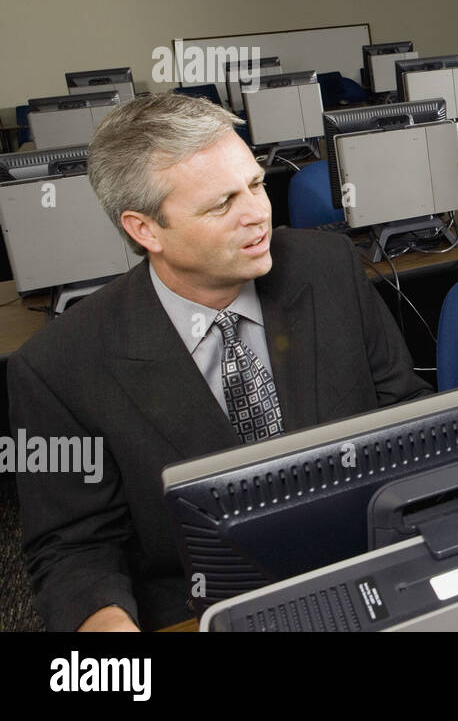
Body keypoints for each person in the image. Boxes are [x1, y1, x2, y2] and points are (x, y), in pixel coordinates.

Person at [8, 94, 429, 632]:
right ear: (145, 230)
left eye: (255, 184)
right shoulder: (57, 367)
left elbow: (407, 413)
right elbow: (73, 548)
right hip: (202, 610)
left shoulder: (327, 267)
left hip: (363, 570)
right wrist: (106, 625)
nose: (258, 212)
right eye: (221, 203)